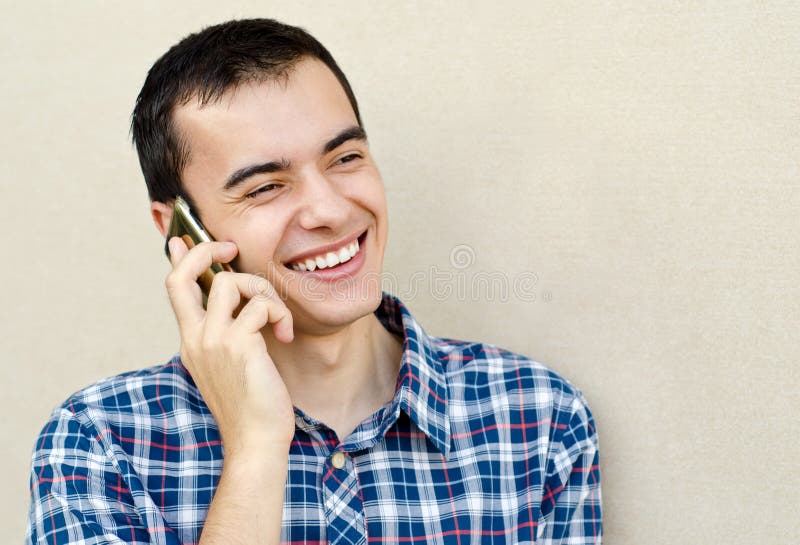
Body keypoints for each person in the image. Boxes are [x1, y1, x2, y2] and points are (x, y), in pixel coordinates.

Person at [26, 18, 602, 545]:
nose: (329, 209)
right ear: (181, 232)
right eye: (265, 187)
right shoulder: (98, 445)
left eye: (345, 158)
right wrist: (254, 451)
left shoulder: (538, 418)